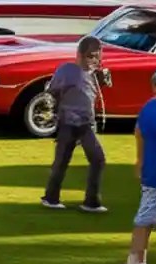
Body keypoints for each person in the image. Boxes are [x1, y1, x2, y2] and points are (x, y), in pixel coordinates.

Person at [42, 36, 107, 213]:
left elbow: (93, 95)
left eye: (96, 57)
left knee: (98, 159)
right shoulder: (67, 71)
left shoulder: (93, 73)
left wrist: (101, 79)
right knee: (61, 162)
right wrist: (53, 111)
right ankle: (51, 198)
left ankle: (91, 201)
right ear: (79, 54)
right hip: (68, 123)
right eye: (90, 56)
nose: (93, 61)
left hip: (86, 124)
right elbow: (52, 92)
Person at [121, 67, 156, 264]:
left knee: (145, 218)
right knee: (146, 221)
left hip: (152, 169)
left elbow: (139, 132)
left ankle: (132, 261)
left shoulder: (148, 107)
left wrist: (139, 161)